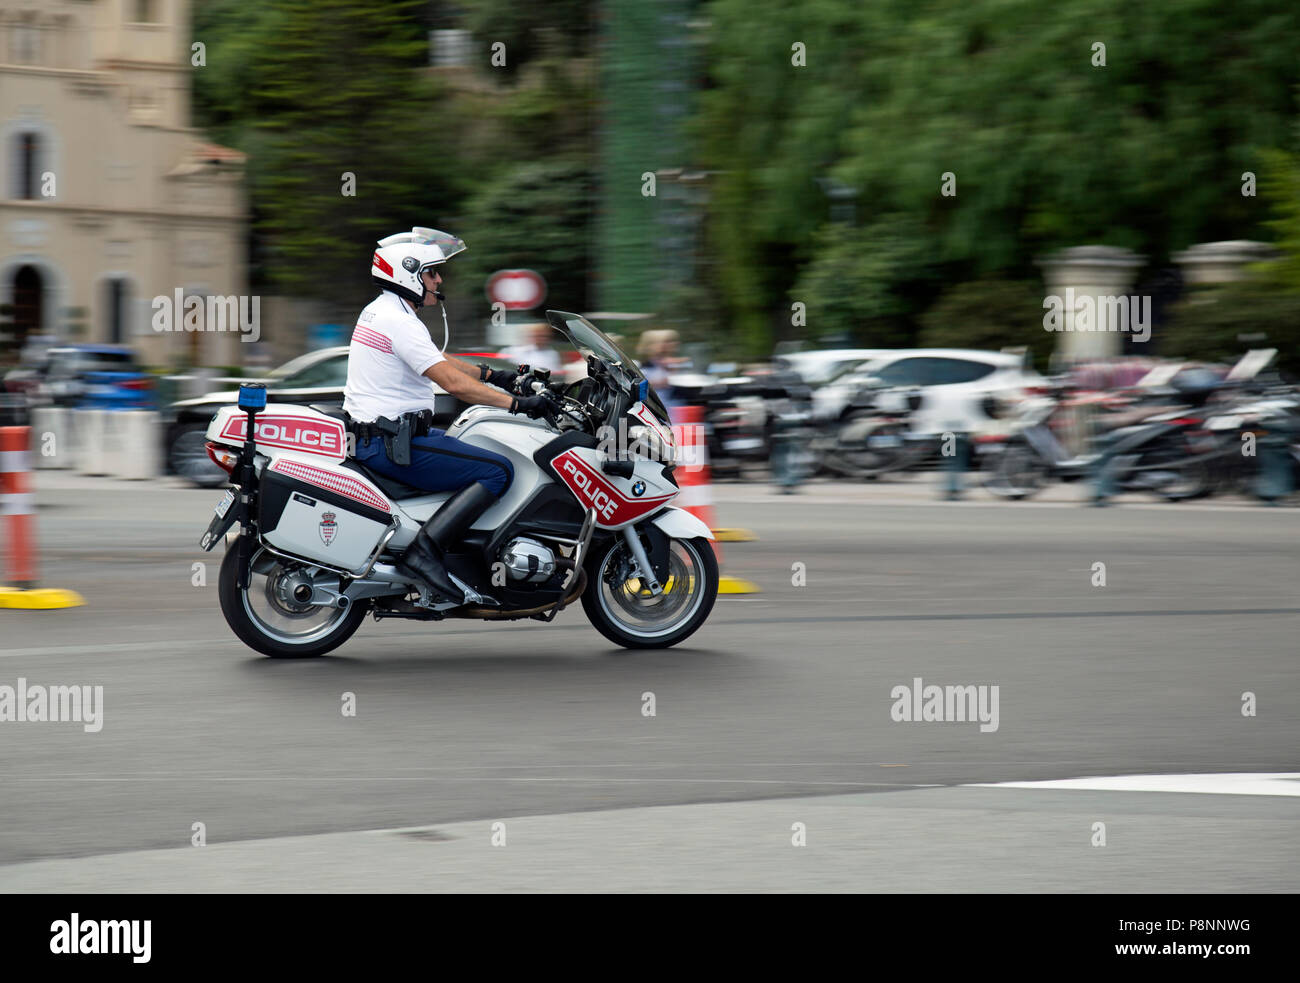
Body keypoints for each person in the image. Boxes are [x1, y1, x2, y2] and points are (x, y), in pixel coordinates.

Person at [342, 227, 550, 605]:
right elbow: (454, 384)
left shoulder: (383, 311)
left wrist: (496, 376)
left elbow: (438, 361)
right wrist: (520, 405)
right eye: (432, 272)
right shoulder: (399, 320)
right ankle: (424, 552)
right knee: (498, 470)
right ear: (408, 273)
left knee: (470, 447)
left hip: (382, 438)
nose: (439, 280)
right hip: (392, 444)